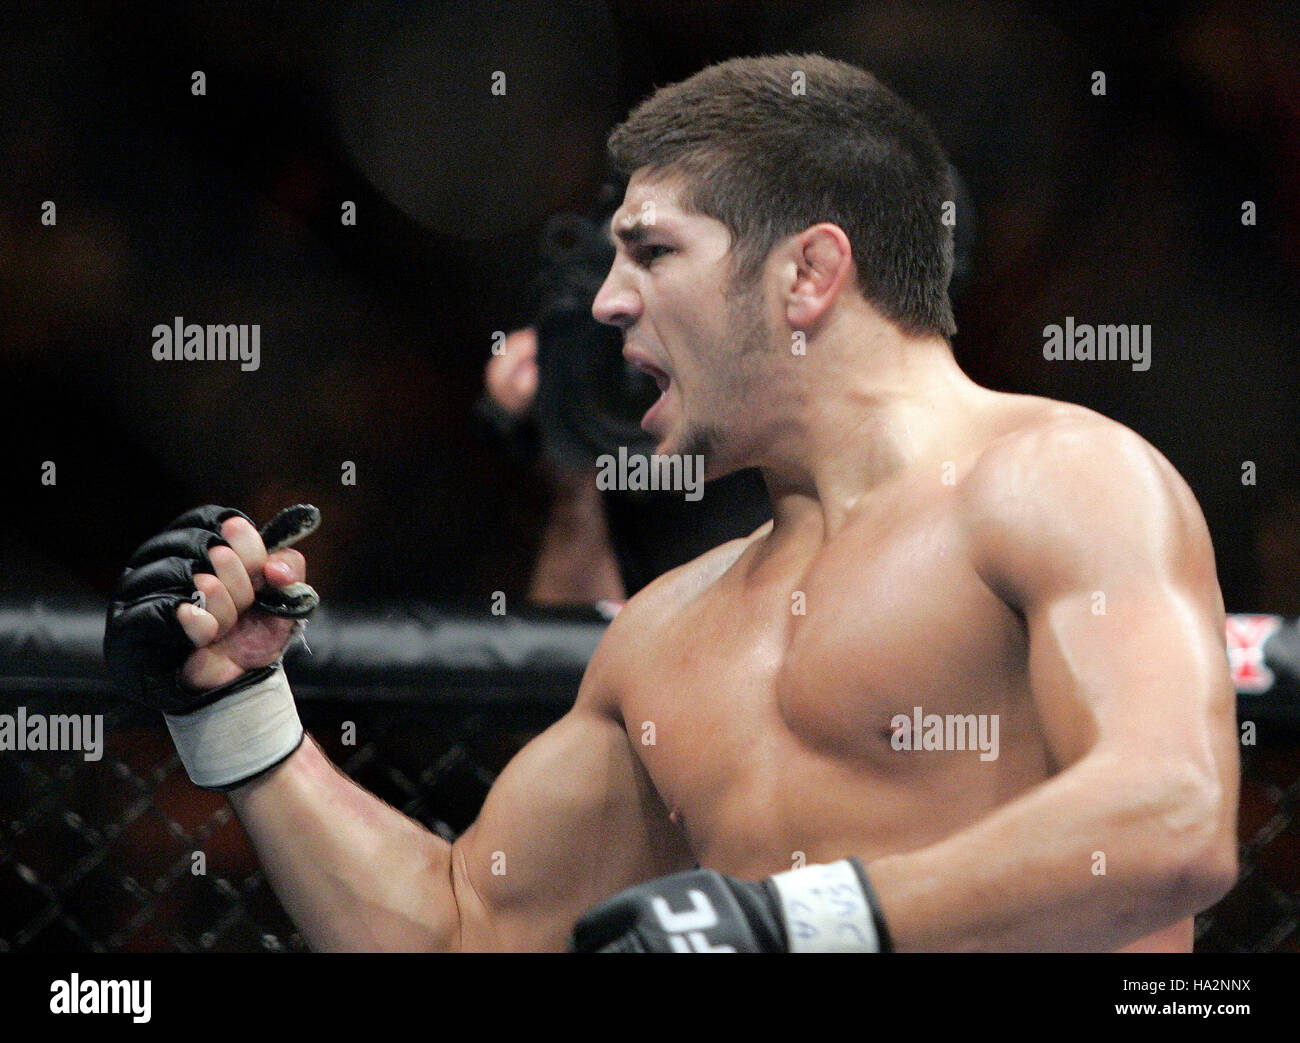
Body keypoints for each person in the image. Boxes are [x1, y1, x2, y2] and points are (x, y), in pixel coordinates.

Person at [105, 54, 1239, 952]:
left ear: (806, 274)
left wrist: (790, 921)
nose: (604, 302)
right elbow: (467, 926)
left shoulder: (1065, 476)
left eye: (652, 251)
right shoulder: (667, 632)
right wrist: (243, 711)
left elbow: (1171, 822)